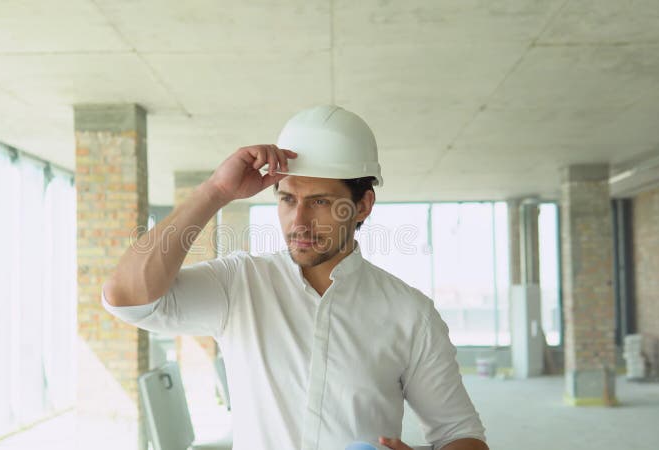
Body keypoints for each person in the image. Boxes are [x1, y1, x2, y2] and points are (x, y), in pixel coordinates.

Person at [101, 106, 488, 450]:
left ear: (362, 206)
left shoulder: (410, 314)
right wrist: (216, 191)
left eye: (320, 202)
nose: (298, 221)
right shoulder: (240, 284)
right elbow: (127, 297)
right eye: (287, 199)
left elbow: (460, 433)